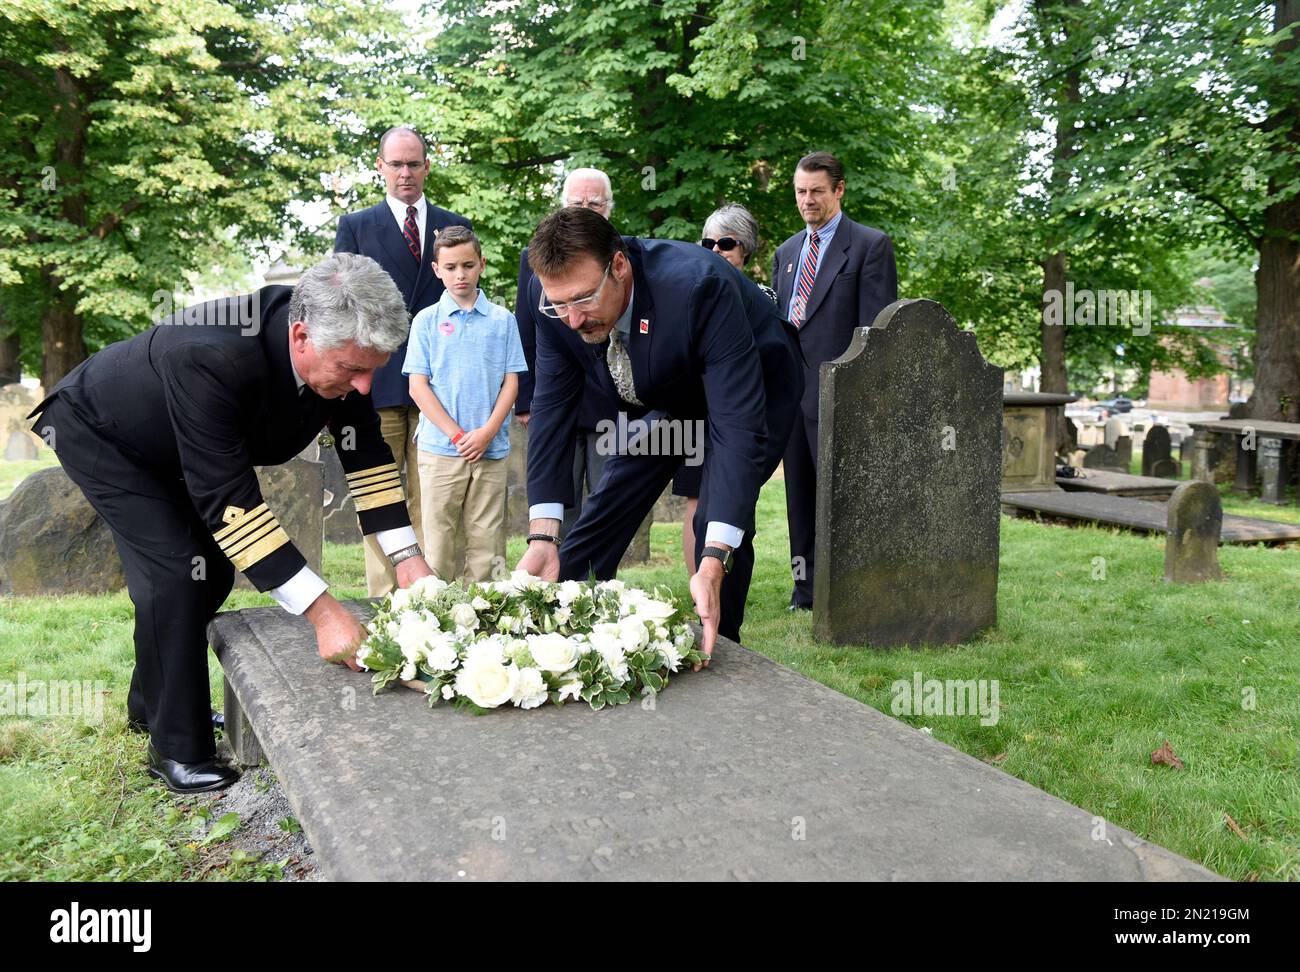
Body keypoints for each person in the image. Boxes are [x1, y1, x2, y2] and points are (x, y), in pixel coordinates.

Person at [27, 254, 434, 792]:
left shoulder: (340, 353)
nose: (364, 387)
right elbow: (230, 501)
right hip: (105, 434)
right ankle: (177, 748)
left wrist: (408, 560)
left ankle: (151, 706)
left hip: (176, 443)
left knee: (210, 573)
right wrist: (323, 612)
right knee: (175, 575)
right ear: (301, 336)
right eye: (352, 370)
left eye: (373, 369)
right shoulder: (213, 355)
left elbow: (367, 453)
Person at [516, 207, 803, 658]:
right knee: (622, 478)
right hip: (680, 386)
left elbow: (735, 428)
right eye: (560, 304)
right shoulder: (550, 296)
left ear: (619, 266)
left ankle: (721, 638)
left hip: (758, 386)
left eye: (584, 299)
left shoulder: (699, 286)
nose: (571, 318)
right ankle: (568, 609)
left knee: (716, 512)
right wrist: (542, 535)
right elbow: (552, 407)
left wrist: (712, 561)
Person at [334, 126, 472, 597]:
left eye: (414, 163)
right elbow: (341, 304)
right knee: (380, 495)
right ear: (380, 167)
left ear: (427, 166)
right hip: (382, 382)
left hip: (441, 388)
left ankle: (435, 600)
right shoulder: (356, 226)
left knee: (435, 501)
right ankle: (385, 600)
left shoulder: (455, 226)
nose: (406, 173)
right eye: (396, 164)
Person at [771, 152, 897, 611]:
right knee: (799, 499)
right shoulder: (786, 254)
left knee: (842, 502)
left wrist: (867, 399)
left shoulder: (869, 246)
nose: (808, 200)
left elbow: (876, 334)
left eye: (817, 192)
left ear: (839, 190)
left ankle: (846, 591)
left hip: (843, 399)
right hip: (793, 399)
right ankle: (805, 593)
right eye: (801, 192)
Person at [405, 227, 527, 582]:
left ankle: (484, 618)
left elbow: (512, 382)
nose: (460, 275)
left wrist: (486, 433)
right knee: (438, 542)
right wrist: (458, 435)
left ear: (482, 265)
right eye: (451, 267)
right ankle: (436, 618)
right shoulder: (426, 321)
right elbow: (418, 386)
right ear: (436, 269)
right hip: (441, 449)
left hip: (491, 449)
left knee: (488, 542)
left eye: (468, 265)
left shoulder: (503, 320)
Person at [514, 168, 625, 540]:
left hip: (610, 402)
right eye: (577, 202)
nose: (586, 208)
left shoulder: (620, 259)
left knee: (607, 494)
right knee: (559, 497)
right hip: (557, 395)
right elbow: (528, 329)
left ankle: (601, 580)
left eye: (594, 203)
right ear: (563, 206)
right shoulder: (536, 258)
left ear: (608, 207)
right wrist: (527, 400)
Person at [681, 203, 781, 571]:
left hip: (740, 420)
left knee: (735, 508)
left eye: (726, 243)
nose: (716, 251)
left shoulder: (765, 301)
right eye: (708, 243)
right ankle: (699, 592)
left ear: (747, 250)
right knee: (695, 505)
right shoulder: (690, 294)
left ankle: (726, 599)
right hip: (695, 415)